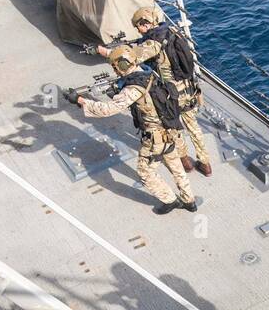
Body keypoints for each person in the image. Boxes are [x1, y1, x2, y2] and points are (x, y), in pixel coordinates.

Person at [67, 44, 196, 215]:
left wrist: (81, 101)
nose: (115, 70)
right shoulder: (147, 73)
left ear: (122, 66)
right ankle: (189, 200)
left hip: (155, 137)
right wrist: (102, 51)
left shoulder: (133, 88)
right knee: (176, 166)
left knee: (145, 171)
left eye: (116, 66)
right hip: (171, 130)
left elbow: (107, 109)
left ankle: (170, 200)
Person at [99, 6, 212, 177]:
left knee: (174, 128)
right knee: (193, 127)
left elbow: (131, 58)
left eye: (139, 26)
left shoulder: (153, 43)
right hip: (188, 88)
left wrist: (107, 52)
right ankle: (205, 163)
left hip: (171, 94)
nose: (138, 30)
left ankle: (185, 162)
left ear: (145, 24)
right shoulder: (172, 31)